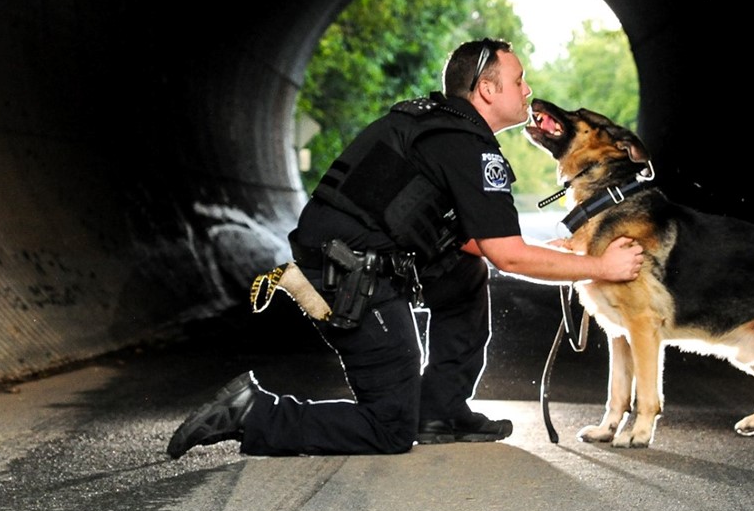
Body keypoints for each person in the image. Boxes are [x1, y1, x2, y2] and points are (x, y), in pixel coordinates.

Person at [167, 37, 645, 458]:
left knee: (464, 274)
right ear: (487, 90)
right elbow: (509, 255)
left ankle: (443, 412)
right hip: (349, 279)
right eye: (518, 81)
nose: (527, 91)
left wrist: (564, 254)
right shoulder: (466, 147)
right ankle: (254, 413)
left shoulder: (439, 126)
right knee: (389, 427)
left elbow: (476, 242)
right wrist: (598, 265)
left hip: (358, 260)